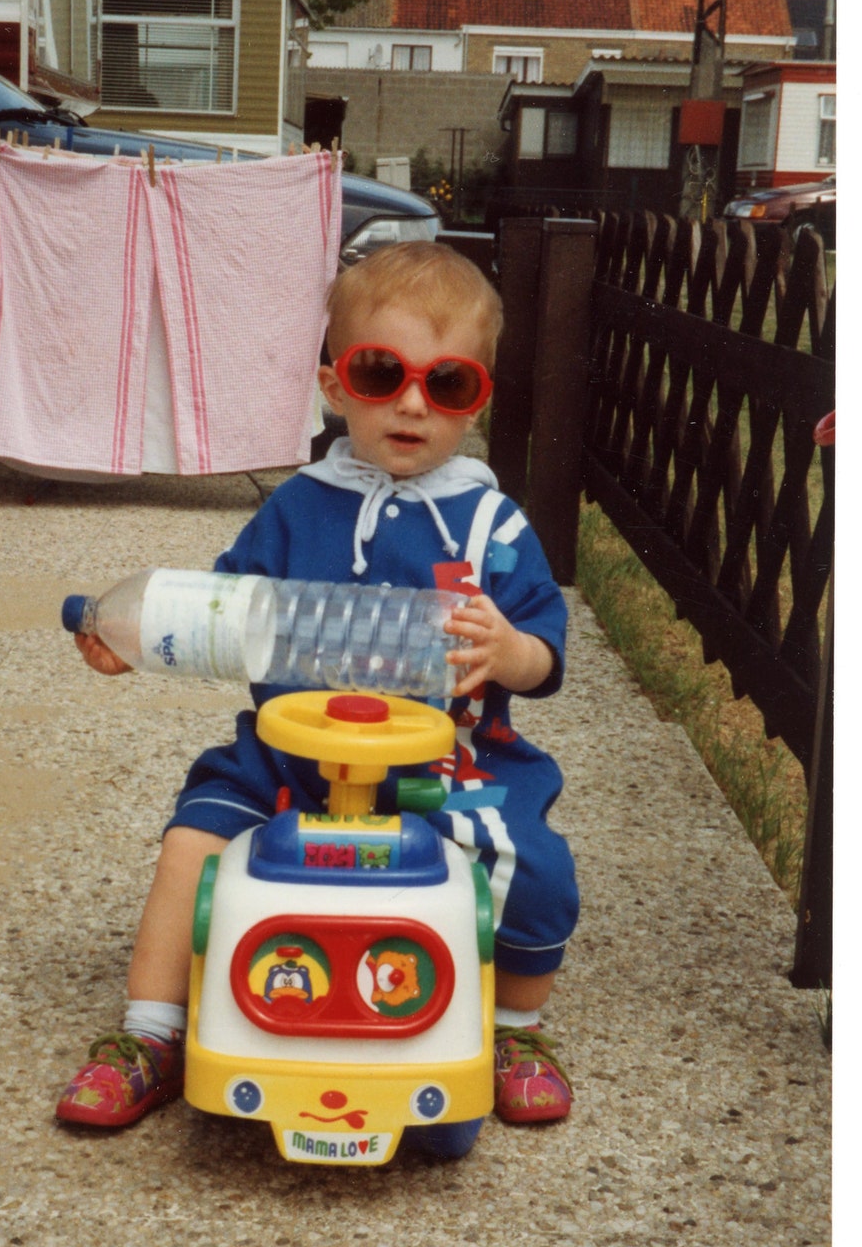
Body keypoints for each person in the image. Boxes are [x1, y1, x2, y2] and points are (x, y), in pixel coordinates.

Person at [56, 241, 579, 1134]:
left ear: (477, 401)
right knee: (195, 838)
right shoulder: (297, 504)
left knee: (525, 860)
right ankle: (151, 1031)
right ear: (336, 385)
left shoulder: (491, 523)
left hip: (445, 754)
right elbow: (216, 614)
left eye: (448, 385)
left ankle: (516, 1025)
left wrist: (509, 651)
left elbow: (544, 656)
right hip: (290, 751)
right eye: (384, 372)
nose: (414, 402)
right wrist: (132, 640)